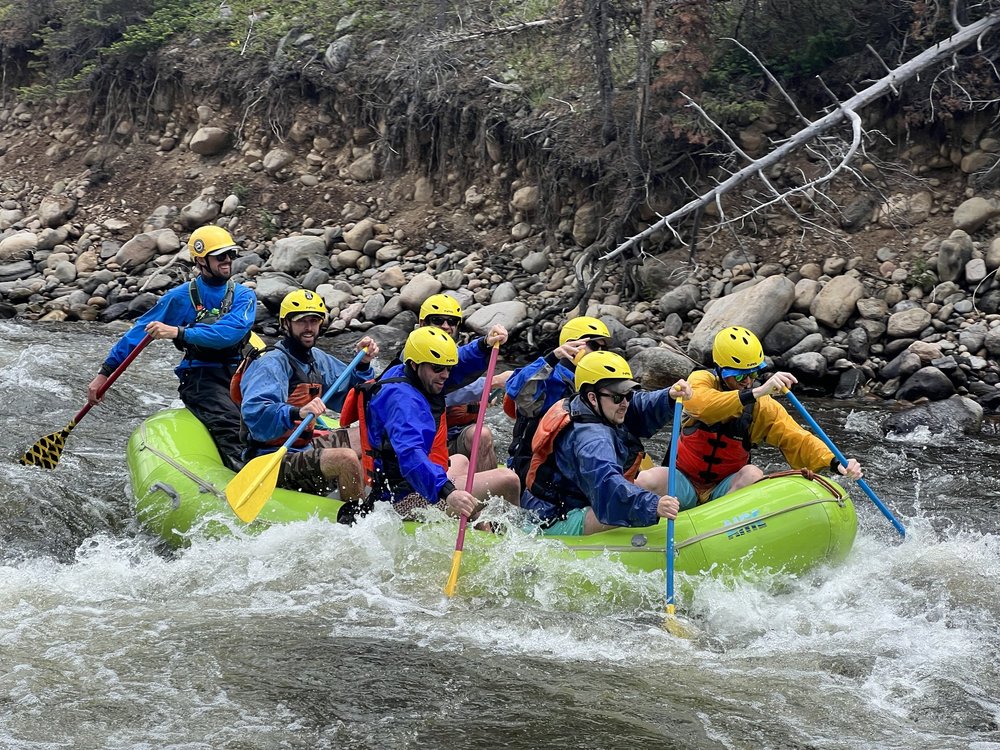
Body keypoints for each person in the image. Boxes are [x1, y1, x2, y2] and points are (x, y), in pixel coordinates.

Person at [86, 225, 256, 470]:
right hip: (201, 378)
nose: (228, 260)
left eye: (231, 254)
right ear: (201, 260)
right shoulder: (178, 298)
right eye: (220, 255)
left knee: (263, 417)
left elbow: (229, 334)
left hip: (240, 373)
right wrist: (104, 373)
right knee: (231, 424)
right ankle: (244, 475)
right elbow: (137, 333)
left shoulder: (243, 296)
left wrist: (178, 331)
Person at [673, 325, 863, 509]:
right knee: (650, 479)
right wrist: (757, 392)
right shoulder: (700, 381)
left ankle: (714, 525)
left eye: (753, 373)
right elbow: (704, 406)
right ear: (720, 370)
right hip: (684, 481)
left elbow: (796, 438)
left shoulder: (762, 407)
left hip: (726, 490)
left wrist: (835, 461)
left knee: (753, 474)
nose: (747, 382)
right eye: (740, 377)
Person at [521, 350, 692, 536]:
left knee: (662, 477)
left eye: (628, 394)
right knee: (637, 509)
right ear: (593, 397)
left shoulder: (594, 404)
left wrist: (669, 395)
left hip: (574, 503)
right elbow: (607, 487)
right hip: (552, 519)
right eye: (619, 396)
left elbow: (638, 406)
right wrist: (653, 505)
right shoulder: (591, 440)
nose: (625, 402)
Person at [363, 326, 521, 520]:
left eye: (448, 368)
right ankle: (510, 536)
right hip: (403, 501)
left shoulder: (410, 371)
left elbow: (455, 361)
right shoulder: (403, 401)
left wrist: (483, 345)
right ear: (414, 365)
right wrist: (448, 492)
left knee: (461, 461)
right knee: (509, 480)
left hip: (411, 487)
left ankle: (482, 524)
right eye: (438, 369)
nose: (445, 375)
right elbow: (411, 455)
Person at [237, 289, 377, 501]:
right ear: (286, 324)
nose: (309, 328)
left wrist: (364, 366)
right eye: (302, 321)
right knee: (346, 458)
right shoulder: (271, 363)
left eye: (314, 321)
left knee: (372, 435)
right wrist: (297, 411)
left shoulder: (317, 359)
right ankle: (355, 518)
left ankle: (385, 497)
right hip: (273, 458)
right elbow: (256, 414)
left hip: (305, 446)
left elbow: (351, 398)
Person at [504, 316, 611, 488]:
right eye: (594, 345)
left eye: (603, 347)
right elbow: (516, 389)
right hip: (533, 468)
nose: (601, 352)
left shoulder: (597, 384)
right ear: (572, 344)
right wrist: (553, 357)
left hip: (571, 466)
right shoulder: (549, 376)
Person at [413, 293, 510, 469]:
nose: (446, 326)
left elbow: (459, 368)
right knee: (481, 435)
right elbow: (444, 388)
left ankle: (489, 490)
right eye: (437, 320)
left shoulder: (450, 354)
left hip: (453, 434)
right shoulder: (414, 356)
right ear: (422, 324)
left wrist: (481, 397)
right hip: (426, 445)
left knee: (481, 435)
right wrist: (492, 382)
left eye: (451, 321)